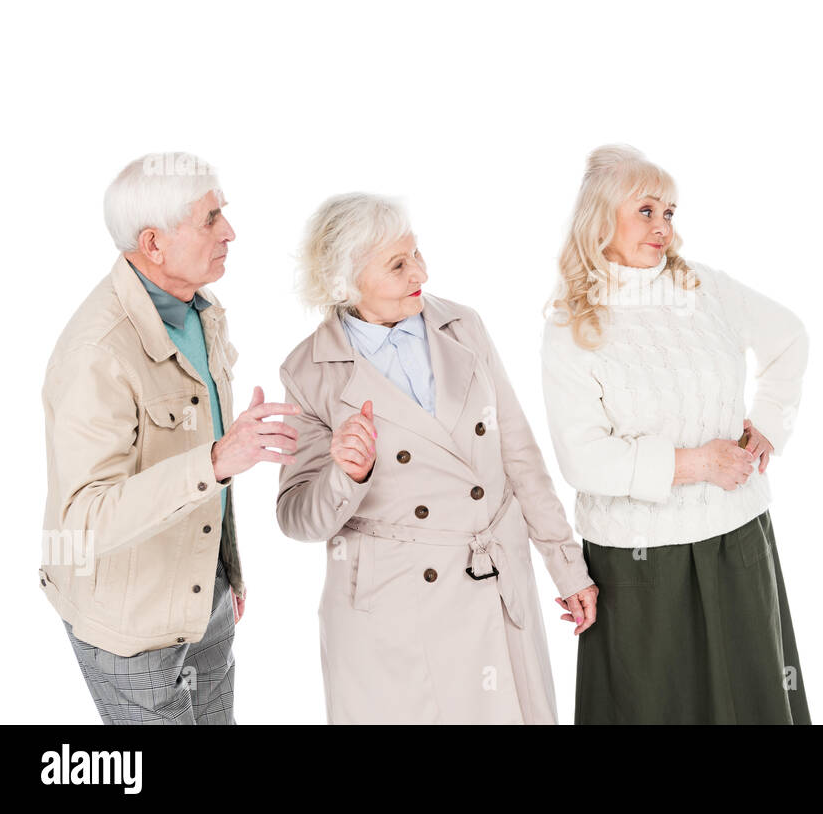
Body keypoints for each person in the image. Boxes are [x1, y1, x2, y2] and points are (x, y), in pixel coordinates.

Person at [276, 192, 596, 724]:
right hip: (395, 613)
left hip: (493, 580)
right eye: (398, 265)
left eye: (416, 253)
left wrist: (567, 567)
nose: (420, 272)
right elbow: (295, 518)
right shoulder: (309, 370)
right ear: (345, 281)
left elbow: (519, 455)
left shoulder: (462, 326)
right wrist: (346, 475)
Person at [541, 145, 810, 724]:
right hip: (638, 561)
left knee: (750, 702)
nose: (662, 226)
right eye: (645, 211)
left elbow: (790, 337)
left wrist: (767, 423)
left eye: (669, 212)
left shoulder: (704, 287)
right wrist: (696, 464)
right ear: (600, 217)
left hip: (736, 538)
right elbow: (582, 458)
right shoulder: (572, 323)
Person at [40, 152, 301, 724]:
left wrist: (228, 570)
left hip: (206, 597)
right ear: (153, 244)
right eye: (210, 219)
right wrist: (216, 459)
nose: (230, 232)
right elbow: (82, 519)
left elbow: (205, 459)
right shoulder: (96, 353)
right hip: (130, 628)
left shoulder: (201, 310)